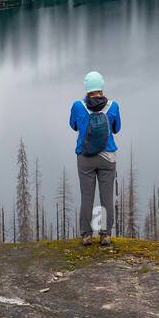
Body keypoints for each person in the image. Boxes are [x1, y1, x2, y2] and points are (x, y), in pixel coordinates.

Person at [69, 70, 121, 246]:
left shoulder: (77, 106)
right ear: (101, 87)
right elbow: (116, 129)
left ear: (87, 88)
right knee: (106, 197)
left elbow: (73, 126)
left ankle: (86, 235)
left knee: (87, 196)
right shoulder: (113, 106)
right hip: (107, 158)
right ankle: (105, 234)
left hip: (85, 158)